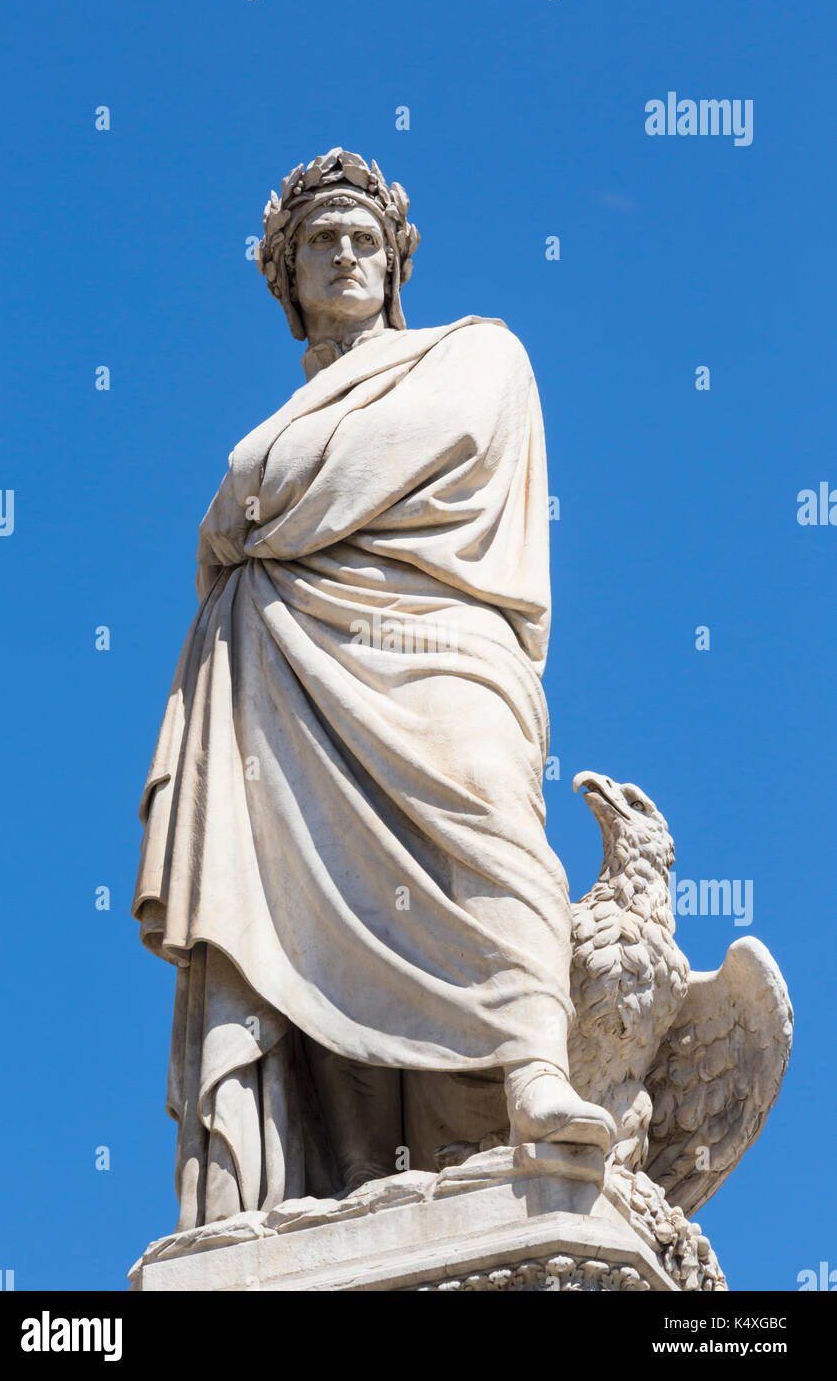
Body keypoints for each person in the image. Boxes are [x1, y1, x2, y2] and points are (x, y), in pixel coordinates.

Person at [133, 148, 615, 1231]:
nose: (344, 253)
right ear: (286, 275)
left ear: (395, 261)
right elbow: (268, 494)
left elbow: (324, 475)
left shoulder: (473, 353)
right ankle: (344, 1185)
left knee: (488, 826)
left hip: (441, 646)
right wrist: (248, 510)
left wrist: (246, 509)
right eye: (319, 242)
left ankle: (531, 1071)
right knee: (292, 914)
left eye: (362, 237)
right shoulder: (293, 417)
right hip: (282, 674)